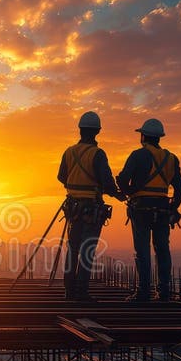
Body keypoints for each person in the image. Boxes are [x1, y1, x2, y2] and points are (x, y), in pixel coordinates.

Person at [57, 111, 124, 302]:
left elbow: (61, 176)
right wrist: (119, 195)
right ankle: (81, 292)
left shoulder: (69, 152)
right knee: (86, 250)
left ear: (80, 130)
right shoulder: (97, 154)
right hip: (91, 210)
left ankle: (69, 291)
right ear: (98, 131)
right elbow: (107, 182)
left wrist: (74, 187)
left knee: (73, 248)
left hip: (73, 209)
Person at [117, 118, 181, 302]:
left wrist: (127, 193)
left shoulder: (138, 155)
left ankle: (143, 292)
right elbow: (180, 189)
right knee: (162, 249)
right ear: (159, 138)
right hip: (162, 210)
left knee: (142, 251)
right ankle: (163, 293)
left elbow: (123, 179)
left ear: (143, 136)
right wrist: (173, 208)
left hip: (141, 209)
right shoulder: (171, 158)